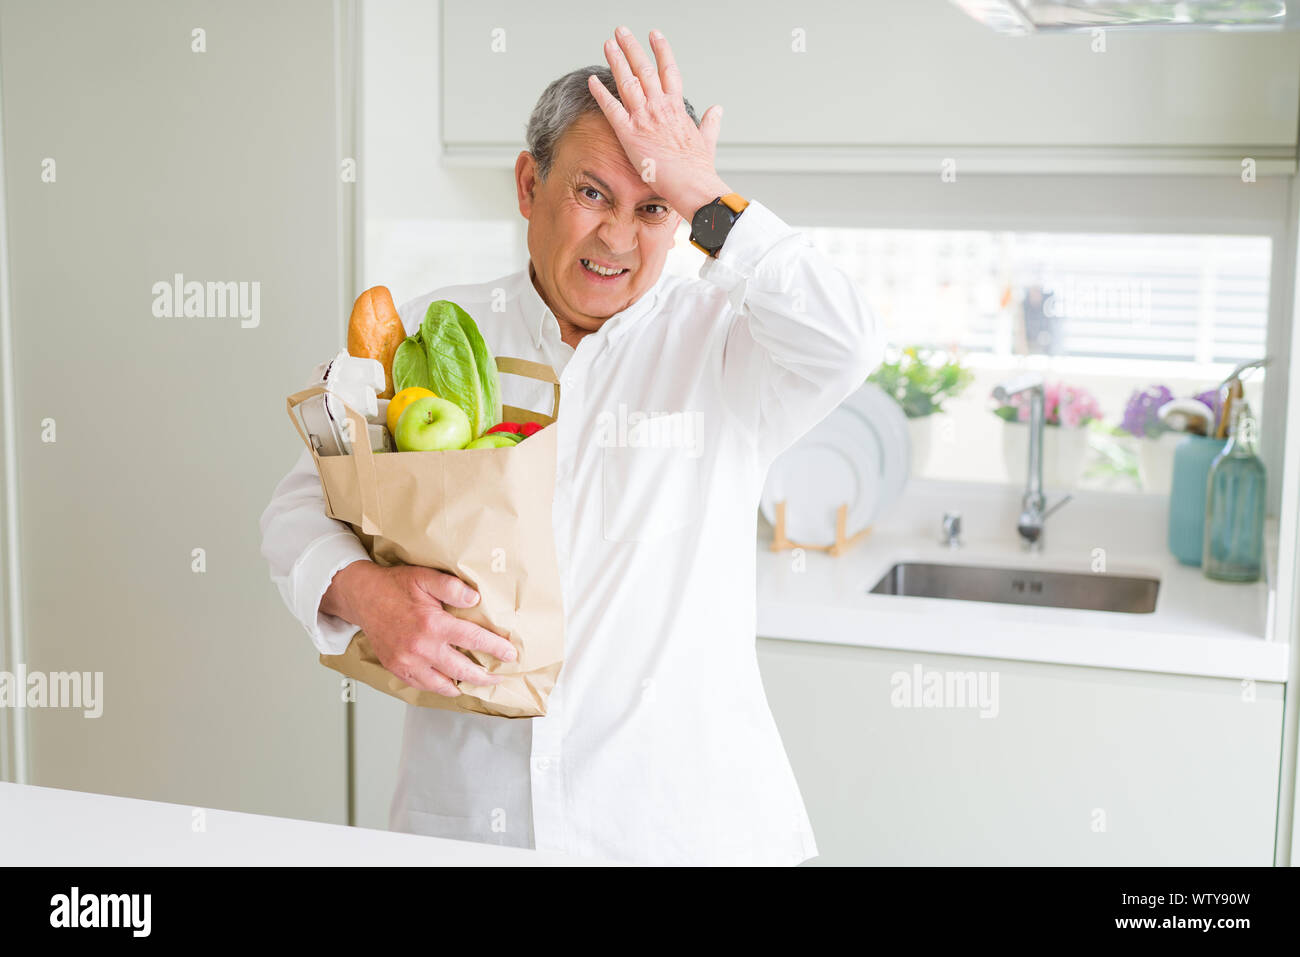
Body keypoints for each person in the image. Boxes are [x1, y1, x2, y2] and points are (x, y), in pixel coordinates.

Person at [260, 26, 882, 866]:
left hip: (683, 831)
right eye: (593, 194)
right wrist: (366, 591)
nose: (619, 239)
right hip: (473, 820)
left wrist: (705, 193)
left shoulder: (729, 346)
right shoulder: (438, 332)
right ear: (529, 183)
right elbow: (301, 504)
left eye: (653, 207)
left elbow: (846, 340)